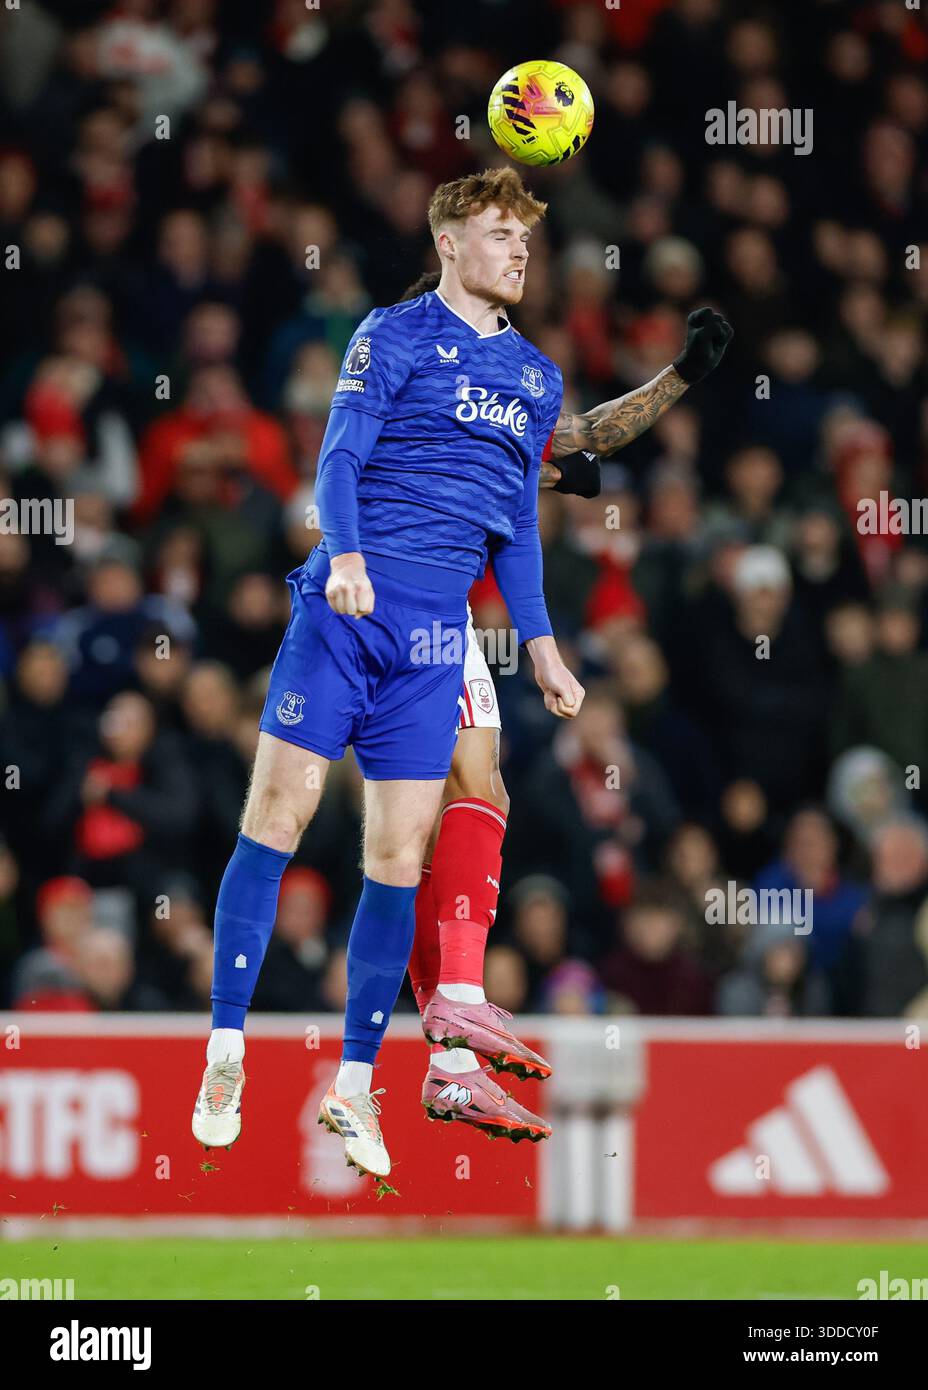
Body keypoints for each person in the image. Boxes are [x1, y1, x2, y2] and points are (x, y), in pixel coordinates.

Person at [192, 167, 585, 1179]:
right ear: (449, 241)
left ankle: (358, 1085)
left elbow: (520, 530)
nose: (517, 253)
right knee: (277, 811)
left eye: (525, 240)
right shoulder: (391, 333)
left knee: (395, 862)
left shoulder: (537, 377)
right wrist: (349, 554)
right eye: (500, 235)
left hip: (432, 642)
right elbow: (338, 456)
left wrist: (539, 645)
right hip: (347, 609)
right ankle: (224, 1050)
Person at [401, 278, 732, 1139]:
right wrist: (544, 470)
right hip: (417, 613)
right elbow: (521, 451)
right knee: (470, 793)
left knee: (419, 831)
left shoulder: (470, 389)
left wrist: (677, 378)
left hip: (399, 618)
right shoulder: (411, 372)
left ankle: (447, 1057)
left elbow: (586, 432)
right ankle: (455, 1018)